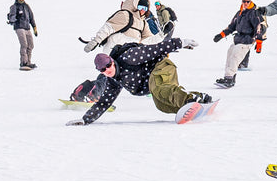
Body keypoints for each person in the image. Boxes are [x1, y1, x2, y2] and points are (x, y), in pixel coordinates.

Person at [67, 34, 211, 125]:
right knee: (161, 104)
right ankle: (199, 99)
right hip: (153, 80)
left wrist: (181, 42)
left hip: (161, 67)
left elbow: (156, 48)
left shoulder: (129, 57)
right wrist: (85, 119)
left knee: (159, 89)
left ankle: (190, 99)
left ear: (112, 61)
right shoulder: (113, 81)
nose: (107, 70)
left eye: (108, 65)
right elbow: (104, 103)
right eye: (103, 70)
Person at [212, 0, 264, 89]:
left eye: (248, 1)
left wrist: (259, 42)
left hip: (247, 41)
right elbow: (232, 26)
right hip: (238, 40)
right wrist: (221, 35)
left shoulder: (253, 13)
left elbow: (258, 27)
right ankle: (229, 78)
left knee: (235, 56)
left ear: (250, 2)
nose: (246, 3)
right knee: (230, 53)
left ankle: (229, 77)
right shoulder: (239, 13)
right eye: (244, 1)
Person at [7, 0, 37, 70]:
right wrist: (13, 20)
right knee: (24, 44)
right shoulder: (14, 6)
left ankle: (28, 62)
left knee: (30, 45)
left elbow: (31, 17)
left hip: (27, 27)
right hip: (19, 27)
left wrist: (34, 27)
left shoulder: (26, 6)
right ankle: (23, 63)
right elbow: (11, 16)